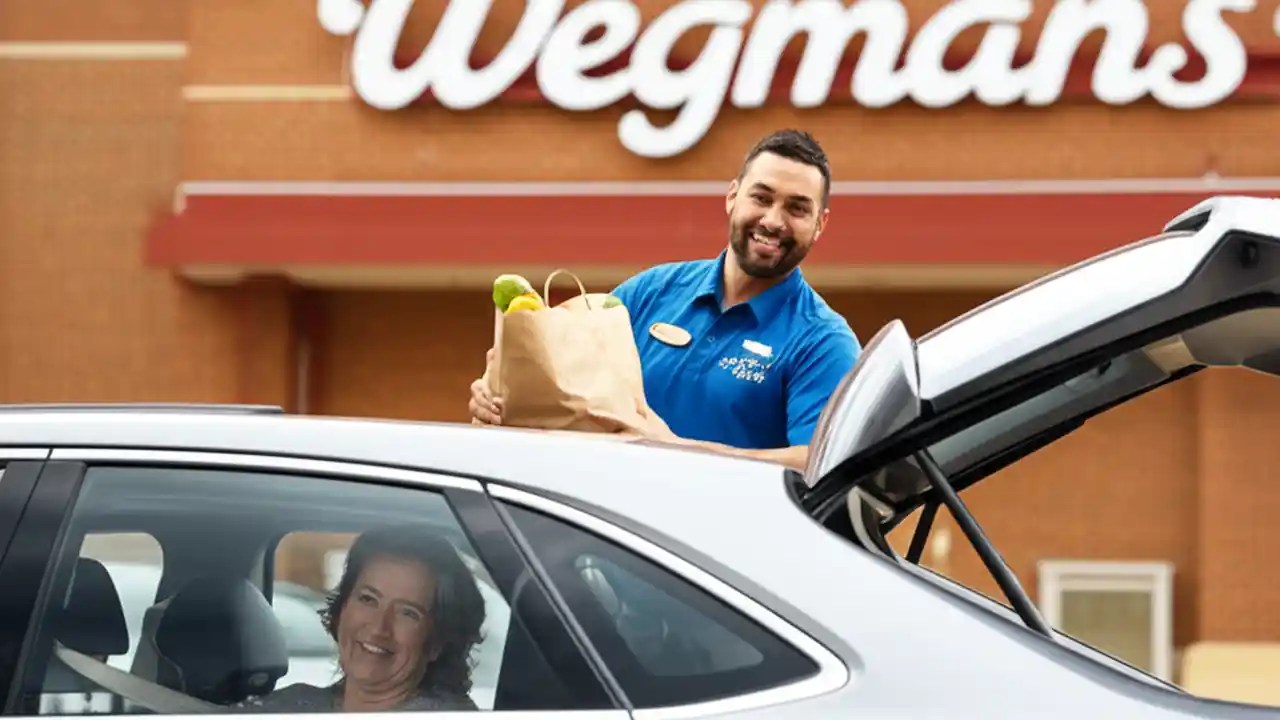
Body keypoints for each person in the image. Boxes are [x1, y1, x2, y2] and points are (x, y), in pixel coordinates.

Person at [469, 129, 861, 472]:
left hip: (716, 552)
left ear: (820, 224)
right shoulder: (652, 291)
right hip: (610, 532)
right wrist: (503, 397)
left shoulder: (823, 342)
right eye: (761, 198)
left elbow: (820, 461)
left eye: (796, 208)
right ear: (732, 196)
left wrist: (675, 450)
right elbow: (566, 385)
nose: (774, 221)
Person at [238, 526, 485, 713]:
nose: (379, 628)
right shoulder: (293, 705)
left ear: (436, 643)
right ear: (341, 609)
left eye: (408, 613)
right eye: (368, 599)